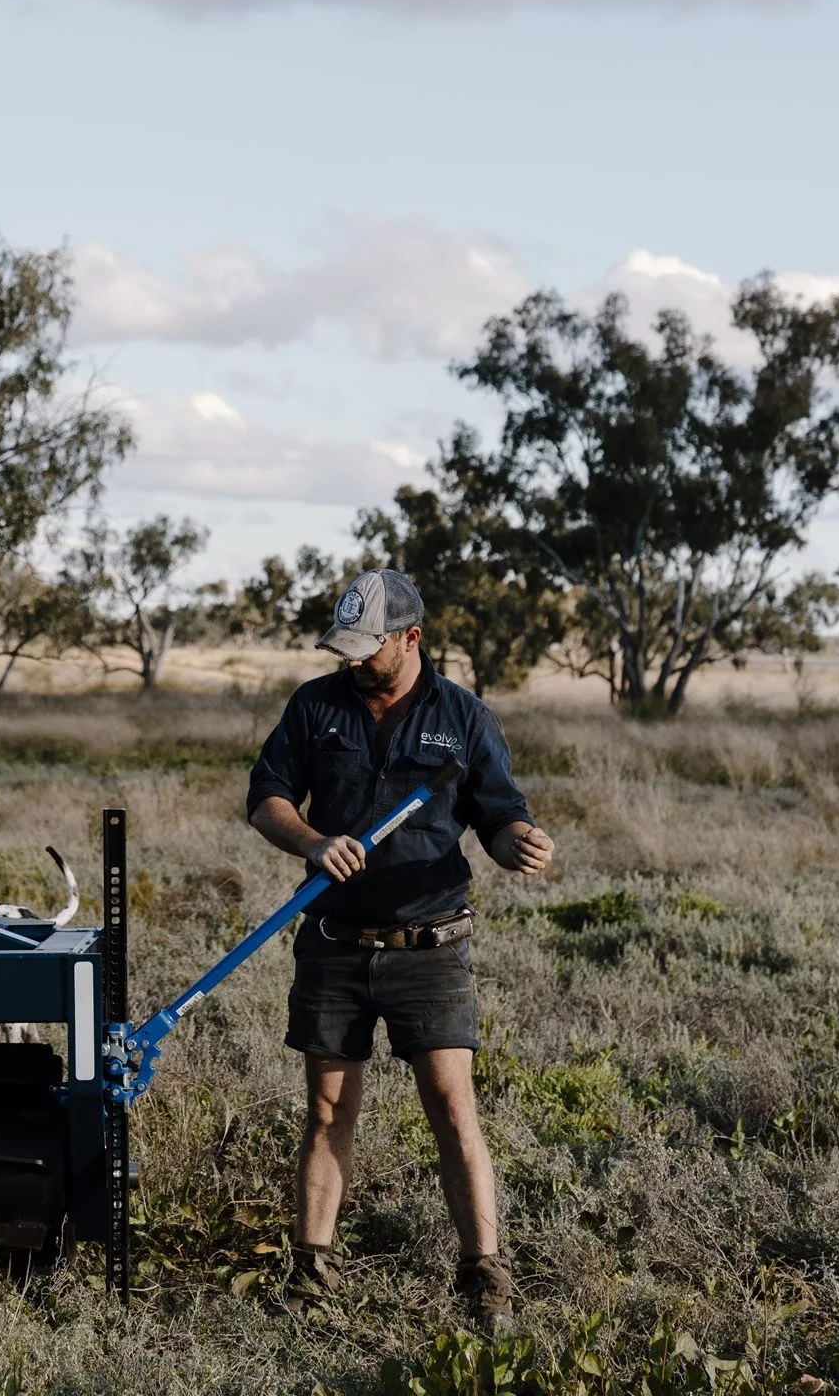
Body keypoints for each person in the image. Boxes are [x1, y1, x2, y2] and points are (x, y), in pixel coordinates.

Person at [247, 568, 554, 1330]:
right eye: (341, 649)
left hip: (431, 945)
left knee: (453, 1110)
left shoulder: (464, 717)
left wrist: (518, 842)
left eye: (366, 649)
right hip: (333, 942)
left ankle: (485, 1280)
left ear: (410, 637)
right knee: (326, 1112)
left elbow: (499, 812)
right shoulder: (314, 706)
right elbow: (266, 798)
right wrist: (313, 842)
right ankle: (312, 1274)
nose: (351, 663)